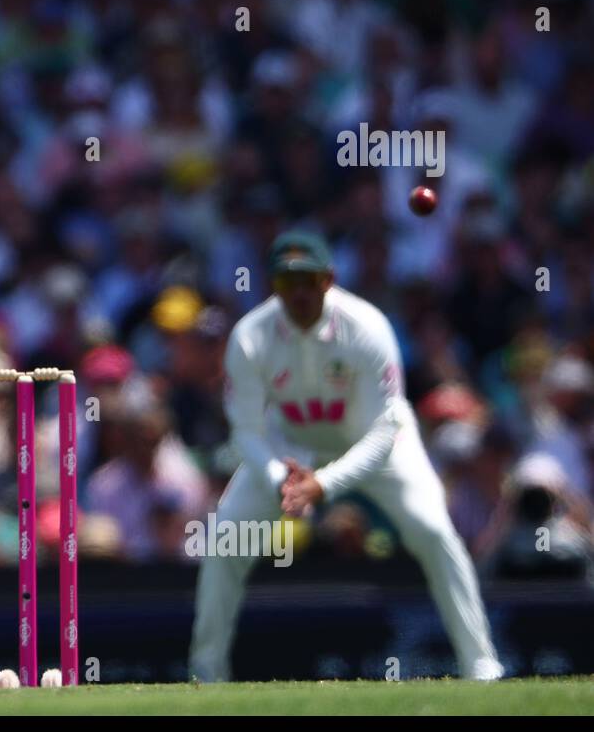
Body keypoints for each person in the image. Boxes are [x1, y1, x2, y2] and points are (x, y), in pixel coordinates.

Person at [189, 231, 503, 681]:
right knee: (224, 541)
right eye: (286, 281)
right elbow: (246, 432)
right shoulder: (250, 337)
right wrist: (281, 477)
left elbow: (382, 432)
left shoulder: (367, 326)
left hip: (378, 446)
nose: (298, 292)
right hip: (291, 451)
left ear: (329, 280)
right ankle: (206, 674)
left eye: (308, 280)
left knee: (433, 531)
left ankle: (481, 663)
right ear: (272, 285)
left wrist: (323, 484)